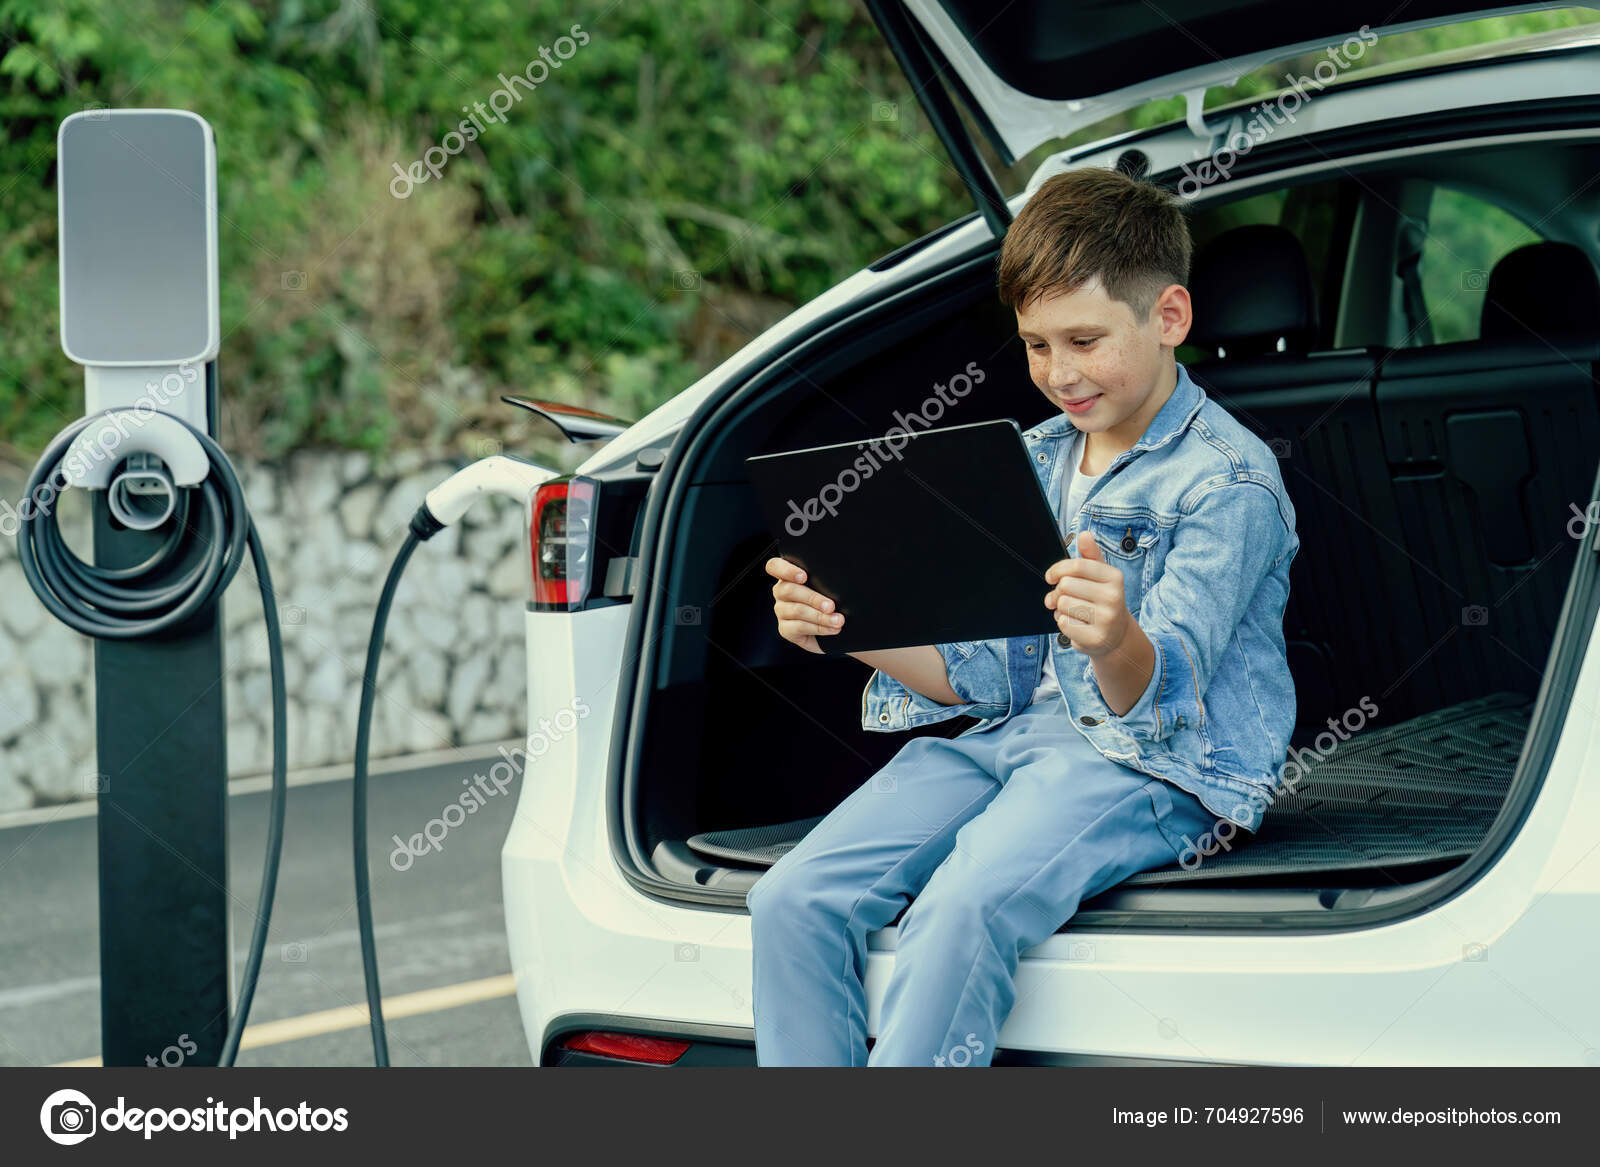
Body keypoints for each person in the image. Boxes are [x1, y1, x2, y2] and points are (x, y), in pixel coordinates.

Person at [750, 164, 1299, 1066]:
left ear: (1168, 318)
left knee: (962, 908)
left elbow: (1161, 697)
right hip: (1010, 738)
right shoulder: (1032, 458)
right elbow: (977, 678)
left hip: (1157, 764)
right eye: (1037, 347)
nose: (1059, 373)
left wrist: (1117, 636)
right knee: (792, 898)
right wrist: (851, 626)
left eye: (1084, 339)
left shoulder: (1229, 481)